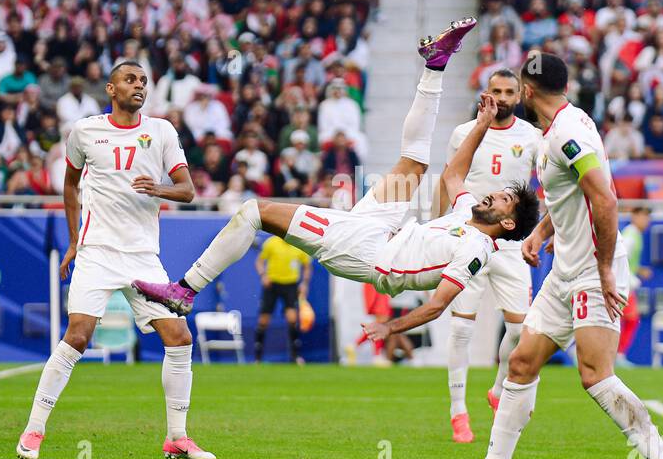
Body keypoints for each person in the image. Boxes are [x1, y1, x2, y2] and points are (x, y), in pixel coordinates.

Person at [135, 18, 541, 347]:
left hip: (366, 254)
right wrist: (484, 124)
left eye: (504, 199)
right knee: (415, 164)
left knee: (254, 211)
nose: (492, 194)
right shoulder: (467, 213)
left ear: (507, 223)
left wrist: (391, 328)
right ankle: (435, 64)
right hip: (383, 228)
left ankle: (185, 289)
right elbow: (453, 173)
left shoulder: (475, 249)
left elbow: (437, 306)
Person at [434, 51, 663, 459]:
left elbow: (606, 200)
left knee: (595, 374)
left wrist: (607, 269)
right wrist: (540, 232)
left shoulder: (565, 135)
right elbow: (569, 193)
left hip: (593, 269)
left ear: (528, 92)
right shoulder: (563, 127)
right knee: (520, 363)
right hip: (565, 272)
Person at [15, 61, 210, 459]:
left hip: (143, 257)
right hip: (98, 251)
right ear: (110, 88)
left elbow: (188, 190)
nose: (138, 86)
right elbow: (70, 184)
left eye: (143, 81)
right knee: (78, 336)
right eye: (130, 80)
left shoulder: (161, 131)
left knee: (180, 338)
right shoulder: (85, 131)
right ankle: (34, 430)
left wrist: (158, 188)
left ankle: (177, 437)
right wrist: (73, 240)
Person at [438, 67, 542, 443]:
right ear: (486, 92)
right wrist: (438, 226)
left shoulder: (532, 137)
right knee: (462, 326)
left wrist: (542, 234)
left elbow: (543, 188)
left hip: (511, 243)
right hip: (469, 235)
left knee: (519, 328)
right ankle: (458, 411)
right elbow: (449, 177)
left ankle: (497, 390)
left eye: (508, 91)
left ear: (520, 95)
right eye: (495, 90)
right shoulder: (464, 134)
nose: (501, 97)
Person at [254, 235, 311, 364]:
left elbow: (307, 266)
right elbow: (259, 262)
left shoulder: (299, 244)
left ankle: (295, 356)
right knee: (263, 321)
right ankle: (257, 358)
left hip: (290, 285)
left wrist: (305, 283)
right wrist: (263, 275)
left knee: (292, 319)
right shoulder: (272, 242)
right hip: (272, 284)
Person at [617, 206, 651, 364]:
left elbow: (627, 260)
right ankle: (618, 354)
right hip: (623, 285)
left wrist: (639, 270)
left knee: (626, 319)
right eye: (643, 217)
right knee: (629, 318)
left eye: (648, 217)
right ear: (634, 217)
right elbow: (620, 259)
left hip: (624, 283)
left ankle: (618, 354)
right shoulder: (631, 235)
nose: (646, 221)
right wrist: (631, 278)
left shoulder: (634, 234)